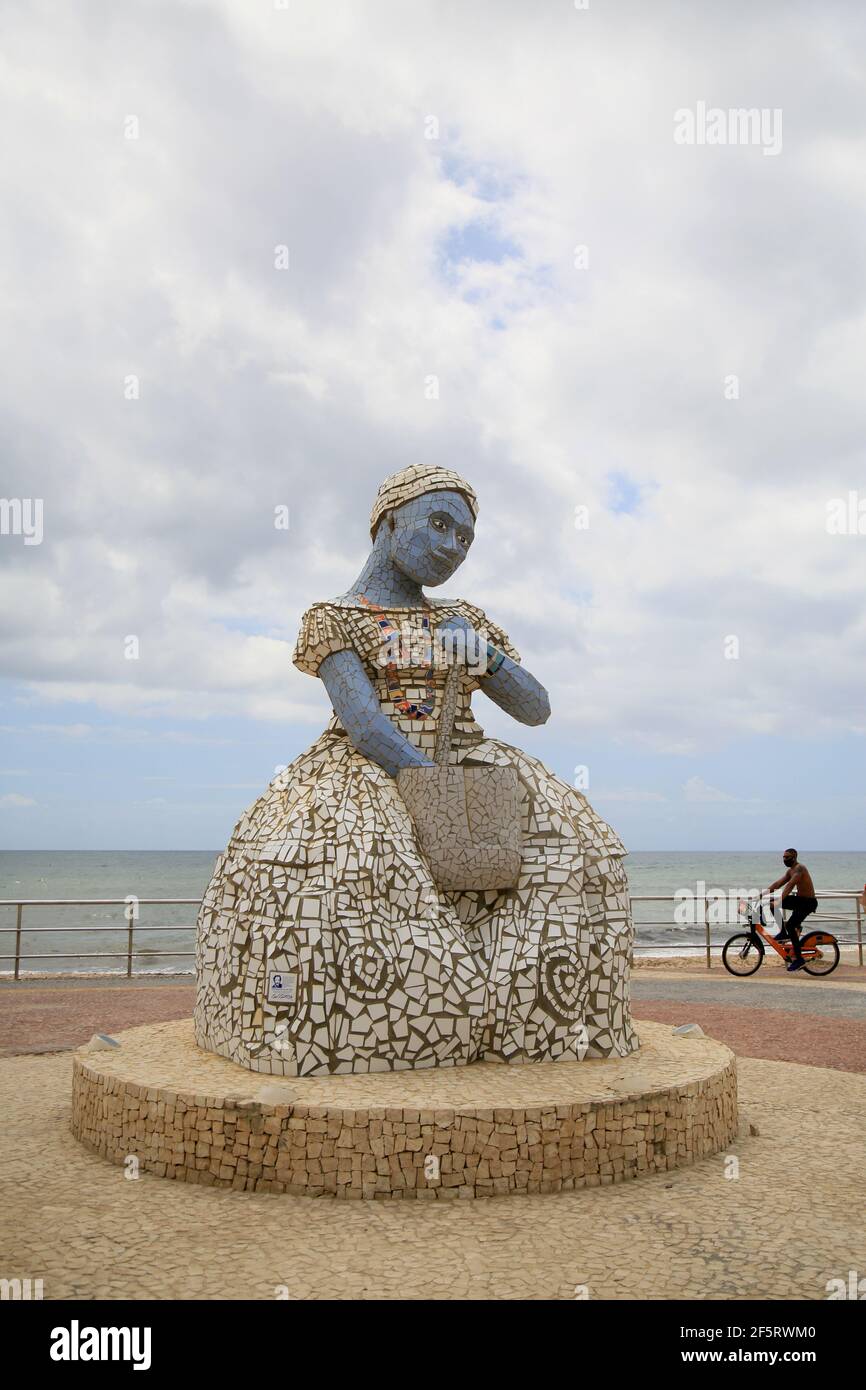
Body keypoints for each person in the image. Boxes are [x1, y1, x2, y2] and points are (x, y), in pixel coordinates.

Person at [195, 464, 638, 1075]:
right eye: (438, 524)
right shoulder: (335, 618)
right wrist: (435, 792)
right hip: (371, 771)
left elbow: (536, 708)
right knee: (339, 875)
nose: (451, 547)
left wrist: (483, 657)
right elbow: (367, 725)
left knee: (579, 854)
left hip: (472, 757)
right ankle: (388, 1032)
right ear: (388, 521)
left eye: (465, 539)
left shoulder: (465, 620)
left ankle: (533, 1023)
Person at [766, 849, 818, 972]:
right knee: (769, 903)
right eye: (783, 857)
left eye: (787, 857)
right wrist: (761, 895)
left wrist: (779, 902)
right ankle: (783, 932)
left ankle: (799, 960)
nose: (785, 860)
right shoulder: (790, 871)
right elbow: (778, 884)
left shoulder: (800, 869)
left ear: (794, 857)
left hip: (807, 903)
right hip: (800, 900)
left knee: (791, 925)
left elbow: (790, 885)